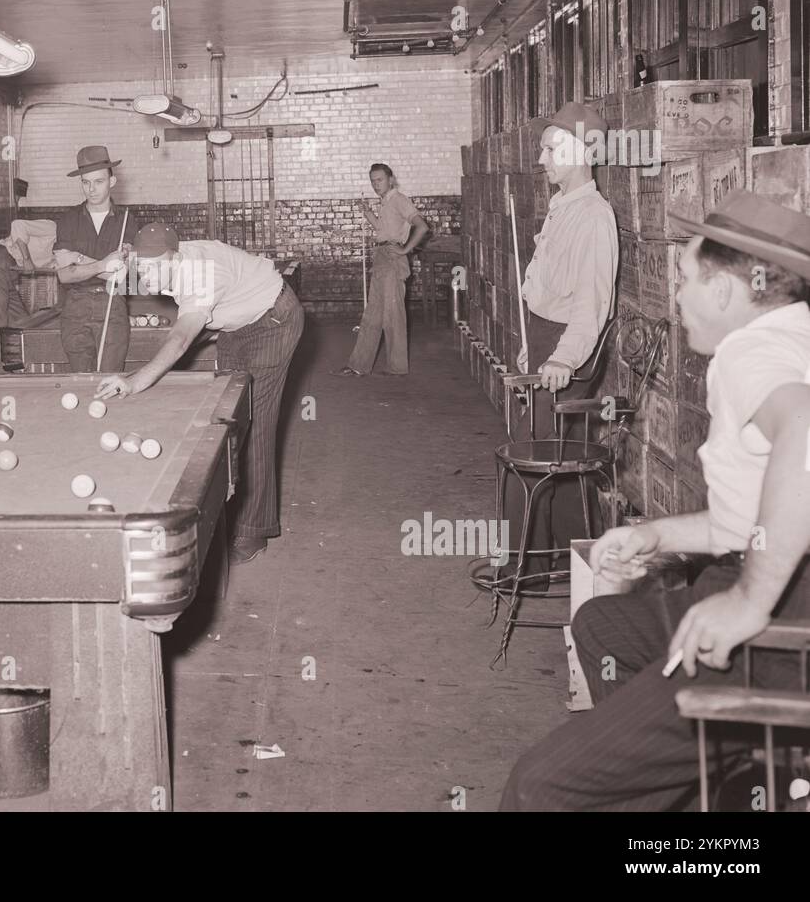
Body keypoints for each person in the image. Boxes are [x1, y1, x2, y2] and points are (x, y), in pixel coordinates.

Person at [500, 192, 810, 811]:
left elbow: (806, 441)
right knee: (603, 626)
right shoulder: (793, 335)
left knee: (539, 787)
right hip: (773, 585)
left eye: (686, 280)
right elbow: (756, 517)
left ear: (726, 290)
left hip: (784, 621)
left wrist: (748, 603)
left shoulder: (754, 351)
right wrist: (657, 537)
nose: (675, 297)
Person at [95, 223, 304, 563]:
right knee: (226, 416)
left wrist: (135, 381)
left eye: (153, 266)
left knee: (254, 423)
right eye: (141, 266)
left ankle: (254, 532)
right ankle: (226, 506)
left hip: (274, 323)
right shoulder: (165, 262)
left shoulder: (199, 277)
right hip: (238, 324)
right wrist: (110, 270)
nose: (145, 276)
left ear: (175, 259)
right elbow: (122, 280)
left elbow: (179, 340)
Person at [505, 101, 620, 582]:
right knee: (551, 458)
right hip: (547, 339)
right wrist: (533, 345)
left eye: (552, 148)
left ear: (583, 151)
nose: (542, 159)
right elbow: (547, 288)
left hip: (569, 351)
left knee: (541, 460)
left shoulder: (594, 216)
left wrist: (561, 359)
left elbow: (590, 307)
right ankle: (553, 565)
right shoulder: (562, 207)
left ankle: (525, 565)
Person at [334, 163, 429, 376]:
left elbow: (422, 226)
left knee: (393, 314)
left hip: (393, 260)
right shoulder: (386, 202)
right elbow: (383, 230)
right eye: (373, 181)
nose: (376, 185)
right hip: (382, 258)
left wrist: (405, 250)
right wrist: (369, 214)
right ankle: (358, 366)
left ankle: (397, 368)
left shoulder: (399, 200)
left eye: (380, 180)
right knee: (372, 315)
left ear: (391, 180)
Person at [54, 146, 134, 373]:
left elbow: (119, 276)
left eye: (98, 181)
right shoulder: (67, 219)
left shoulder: (127, 220)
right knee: (82, 381)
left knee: (109, 379)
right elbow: (64, 275)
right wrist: (102, 264)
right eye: (85, 182)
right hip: (75, 308)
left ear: (112, 181)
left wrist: (77, 259)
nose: (91, 189)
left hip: (112, 304)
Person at [0, 179, 61, 373]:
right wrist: (27, 259)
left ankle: (18, 370)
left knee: (21, 323)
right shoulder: (53, 228)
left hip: (12, 271)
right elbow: (18, 226)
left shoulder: (65, 252)